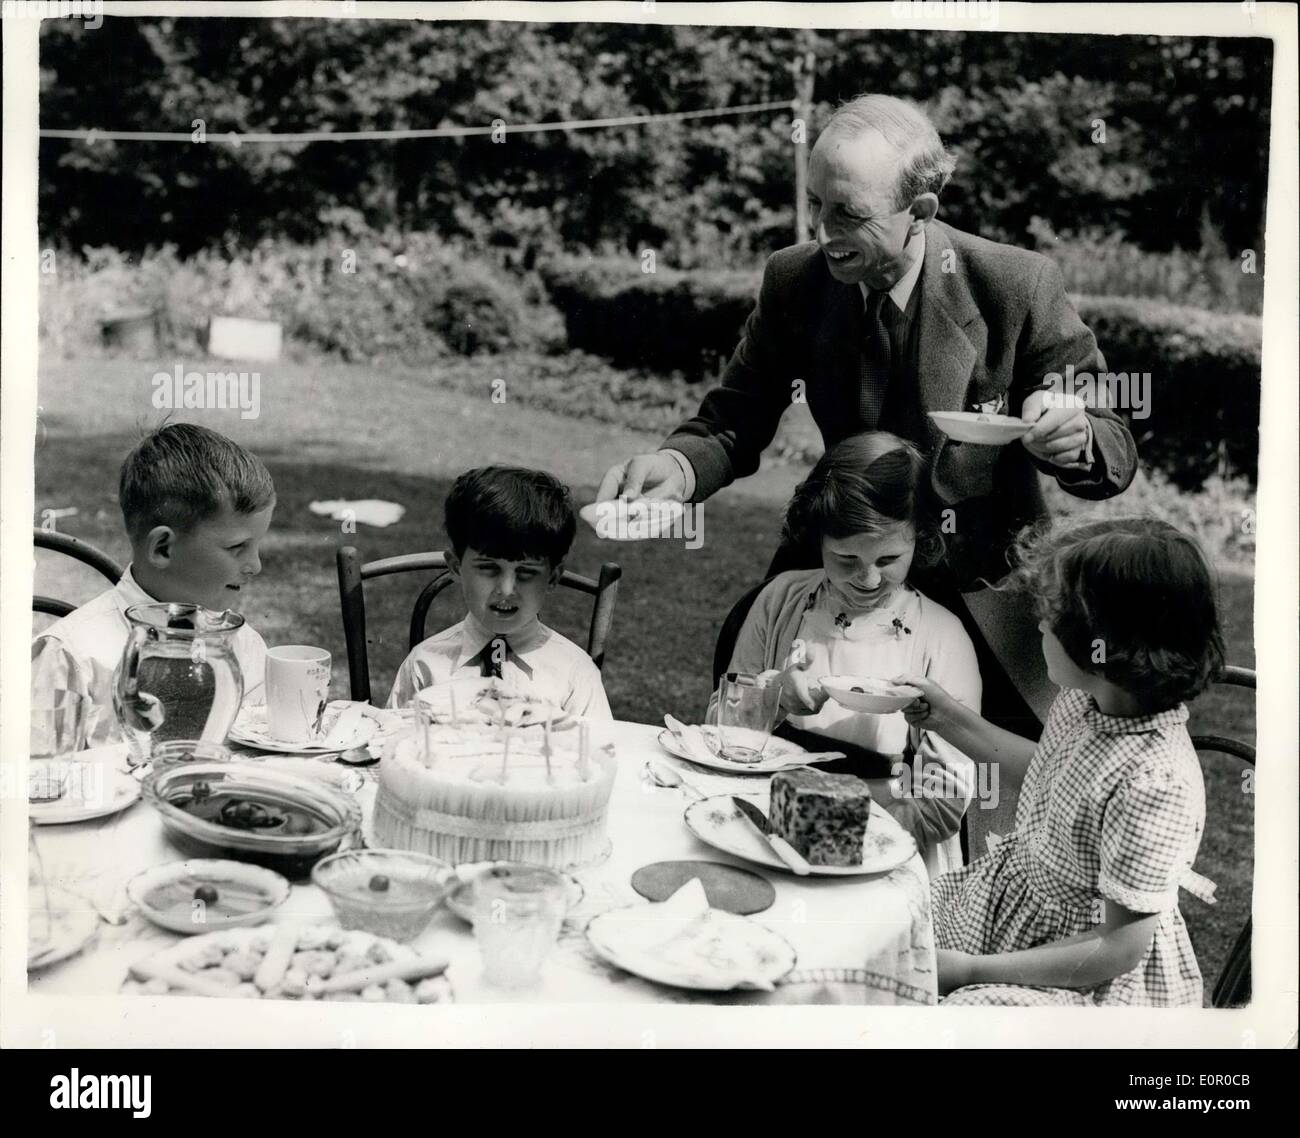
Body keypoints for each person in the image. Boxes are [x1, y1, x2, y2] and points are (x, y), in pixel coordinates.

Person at [598, 93, 1137, 739]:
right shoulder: (795, 280)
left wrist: (1076, 438)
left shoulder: (1015, 284)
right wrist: (678, 467)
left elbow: (1111, 438)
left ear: (920, 212)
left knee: (985, 780)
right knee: (759, 743)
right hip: (840, 573)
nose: (823, 233)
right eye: (816, 206)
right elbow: (734, 414)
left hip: (981, 596)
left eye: (849, 214)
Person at [897, 517, 1223, 1006]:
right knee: (884, 919)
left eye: (1052, 615)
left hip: (1086, 974)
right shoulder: (1084, 700)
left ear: (1100, 643)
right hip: (1012, 910)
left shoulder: (1155, 781)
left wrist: (969, 972)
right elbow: (1050, 774)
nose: (1040, 624)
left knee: (962, 1011)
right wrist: (944, 716)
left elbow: (1118, 947)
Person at [712, 432, 980, 876]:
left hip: (884, 850)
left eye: (888, 559)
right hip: (769, 833)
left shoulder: (942, 637)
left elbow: (945, 799)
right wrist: (774, 697)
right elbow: (719, 734)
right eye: (846, 559)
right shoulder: (780, 602)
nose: (868, 579)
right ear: (818, 538)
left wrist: (825, 819)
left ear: (920, 537)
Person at [31, 423, 275, 747]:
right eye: (237, 547)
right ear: (163, 548)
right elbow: (41, 771)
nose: (255, 565)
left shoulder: (244, 647)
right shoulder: (72, 656)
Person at [386, 466, 612, 719]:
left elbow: (599, 743)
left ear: (552, 577)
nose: (506, 590)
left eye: (526, 572)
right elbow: (390, 737)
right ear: (456, 566)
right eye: (488, 568)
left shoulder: (575, 673)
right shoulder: (425, 664)